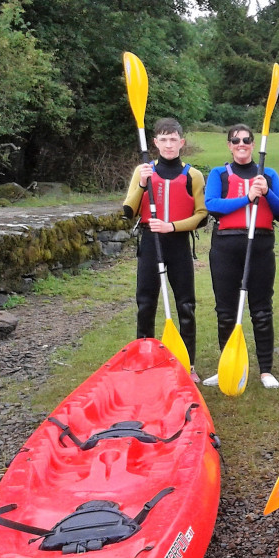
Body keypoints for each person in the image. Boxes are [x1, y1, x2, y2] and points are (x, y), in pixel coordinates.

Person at [202, 125, 279, 389]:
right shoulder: (219, 174)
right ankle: (227, 365)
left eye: (246, 140)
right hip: (226, 246)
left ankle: (265, 370)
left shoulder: (268, 175)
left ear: (253, 145)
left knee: (261, 310)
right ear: (229, 146)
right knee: (226, 311)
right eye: (236, 141)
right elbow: (212, 205)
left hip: (261, 246)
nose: (241, 144)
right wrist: (246, 197)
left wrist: (266, 193)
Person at [122, 118, 207, 383]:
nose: (169, 145)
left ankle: (187, 363)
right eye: (163, 139)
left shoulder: (193, 175)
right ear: (155, 143)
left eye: (173, 139)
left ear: (182, 143)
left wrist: (172, 226)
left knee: (186, 304)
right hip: (150, 242)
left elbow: (202, 215)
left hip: (178, 242)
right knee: (146, 303)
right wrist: (142, 185)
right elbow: (128, 211)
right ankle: (143, 359)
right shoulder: (143, 171)